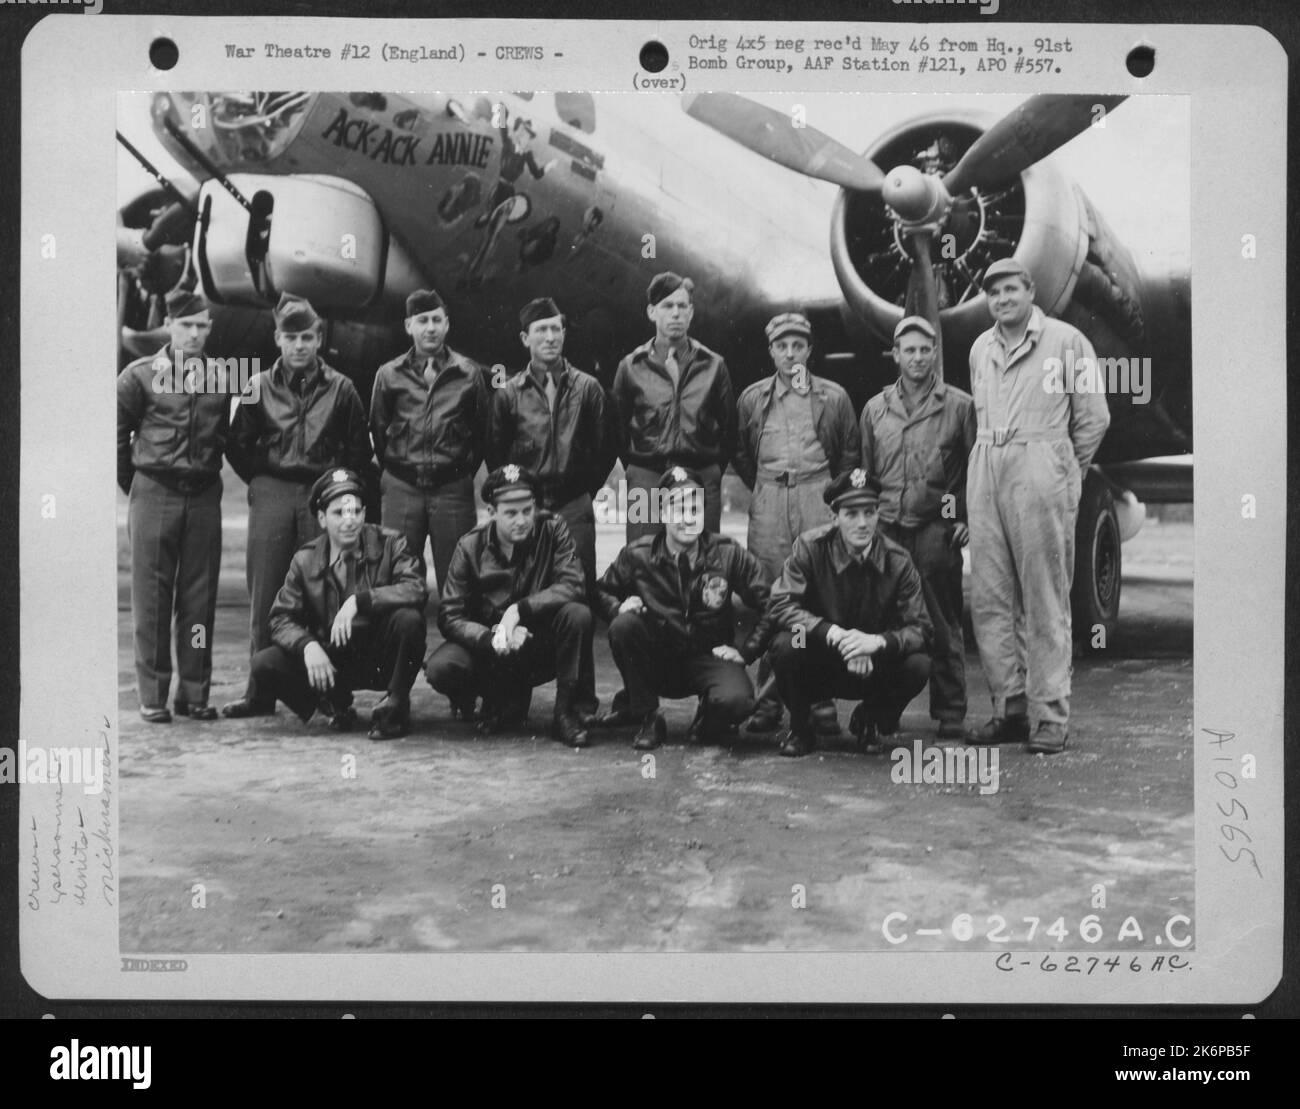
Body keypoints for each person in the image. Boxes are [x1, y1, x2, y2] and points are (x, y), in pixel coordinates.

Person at [966, 258, 1110, 754]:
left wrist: (1065, 472)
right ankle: (1008, 706)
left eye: (1010, 289)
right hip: (986, 462)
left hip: (1040, 461)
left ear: (1031, 290)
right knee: (989, 596)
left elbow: (1093, 417)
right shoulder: (980, 348)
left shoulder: (1066, 342)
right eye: (994, 292)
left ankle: (1049, 713)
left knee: (1044, 594)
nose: (1002, 299)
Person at [223, 292, 374, 718]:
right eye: (291, 337)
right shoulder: (257, 387)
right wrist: (262, 479)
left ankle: (329, 691)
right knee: (266, 591)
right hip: (272, 489)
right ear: (277, 339)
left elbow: (357, 450)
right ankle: (260, 692)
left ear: (320, 338)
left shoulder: (341, 388)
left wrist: (335, 494)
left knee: (321, 591)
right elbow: (237, 444)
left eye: (308, 336)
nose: (300, 345)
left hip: (321, 493)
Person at [486, 296, 616, 721]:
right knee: (520, 592)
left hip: (574, 505)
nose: (549, 337)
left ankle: (580, 699)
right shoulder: (507, 394)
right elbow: (497, 455)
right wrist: (522, 500)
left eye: (556, 328)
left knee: (576, 599)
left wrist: (580, 492)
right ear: (525, 338)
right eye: (540, 330)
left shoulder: (588, 388)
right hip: (527, 509)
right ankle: (512, 693)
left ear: (564, 334)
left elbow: (603, 448)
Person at [733, 311, 861, 734]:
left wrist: (826, 497)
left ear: (810, 349)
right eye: (782, 346)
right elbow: (743, 453)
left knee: (821, 595)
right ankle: (768, 699)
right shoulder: (753, 398)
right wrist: (769, 487)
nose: (790, 354)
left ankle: (820, 700)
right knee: (767, 596)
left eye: (798, 345)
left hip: (817, 494)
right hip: (770, 496)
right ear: (771, 351)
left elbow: (848, 452)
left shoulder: (834, 397)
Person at [117, 288, 236, 722]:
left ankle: (193, 693)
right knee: (152, 599)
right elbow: (116, 433)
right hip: (155, 492)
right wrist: (139, 485)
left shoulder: (222, 377)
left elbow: (225, 435)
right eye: (186, 325)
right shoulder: (139, 376)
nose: (194, 333)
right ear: (169, 324)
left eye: (202, 326)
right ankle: (152, 696)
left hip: (203, 496)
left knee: (199, 602)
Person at [860, 315, 977, 740]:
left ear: (935, 354)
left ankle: (950, 711)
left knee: (942, 621)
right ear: (895, 355)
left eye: (925, 349)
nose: (917, 357)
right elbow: (867, 474)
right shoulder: (875, 408)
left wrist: (958, 516)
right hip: (886, 529)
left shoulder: (960, 406)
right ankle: (883, 708)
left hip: (933, 530)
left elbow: (968, 471)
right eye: (909, 349)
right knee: (883, 622)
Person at [595, 467, 771, 750]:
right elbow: (599, 591)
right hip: (659, 659)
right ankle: (648, 716)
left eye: (695, 509)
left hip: (709, 657)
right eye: (677, 509)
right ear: (662, 514)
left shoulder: (727, 552)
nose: (688, 518)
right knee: (623, 626)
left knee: (738, 701)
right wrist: (618, 607)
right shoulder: (638, 554)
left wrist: (747, 650)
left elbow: (773, 603)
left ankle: (708, 721)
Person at [246, 469, 427, 740]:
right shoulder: (305, 560)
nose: (349, 520)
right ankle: (332, 703)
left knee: (409, 620)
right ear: (321, 518)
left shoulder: (391, 543)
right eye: (339, 513)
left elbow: (416, 588)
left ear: (365, 513)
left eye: (355, 511)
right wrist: (307, 646)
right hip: (333, 658)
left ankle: (396, 706)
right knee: (264, 663)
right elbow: (280, 618)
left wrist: (361, 601)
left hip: (379, 655)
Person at [767, 469, 933, 758]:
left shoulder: (898, 561)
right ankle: (801, 726)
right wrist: (831, 633)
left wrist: (878, 642)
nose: (862, 523)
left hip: (872, 664)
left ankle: (870, 718)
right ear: (834, 517)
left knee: (918, 663)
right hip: (822, 658)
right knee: (787, 644)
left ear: (878, 514)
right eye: (851, 514)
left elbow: (922, 628)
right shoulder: (810, 547)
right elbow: (781, 604)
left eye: (869, 513)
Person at [426, 465, 594, 748]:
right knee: (441, 667)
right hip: (493, 650)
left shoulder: (553, 530)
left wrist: (518, 611)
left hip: (536, 643)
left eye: (527, 511)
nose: (521, 520)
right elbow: (450, 614)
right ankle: (493, 698)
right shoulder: (469, 547)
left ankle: (565, 713)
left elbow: (574, 584)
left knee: (577, 614)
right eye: (510, 513)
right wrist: (493, 637)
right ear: (491, 513)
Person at [370, 287, 490, 591]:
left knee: (459, 579)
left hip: (452, 490)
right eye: (422, 321)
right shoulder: (388, 375)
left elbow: (481, 434)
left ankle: (461, 639)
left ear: (447, 324)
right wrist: (403, 471)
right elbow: (379, 430)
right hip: (402, 489)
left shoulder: (468, 373)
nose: (431, 328)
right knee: (398, 579)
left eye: (437, 320)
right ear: (409, 326)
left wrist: (455, 471)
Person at [611, 273, 737, 543]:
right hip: (647, 477)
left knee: (702, 557)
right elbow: (616, 432)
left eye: (682, 306)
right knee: (641, 556)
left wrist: (709, 470)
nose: (676, 314)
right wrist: (640, 467)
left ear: (691, 313)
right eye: (668, 306)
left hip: (700, 474)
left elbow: (729, 431)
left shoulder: (714, 365)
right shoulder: (630, 367)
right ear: (651, 312)